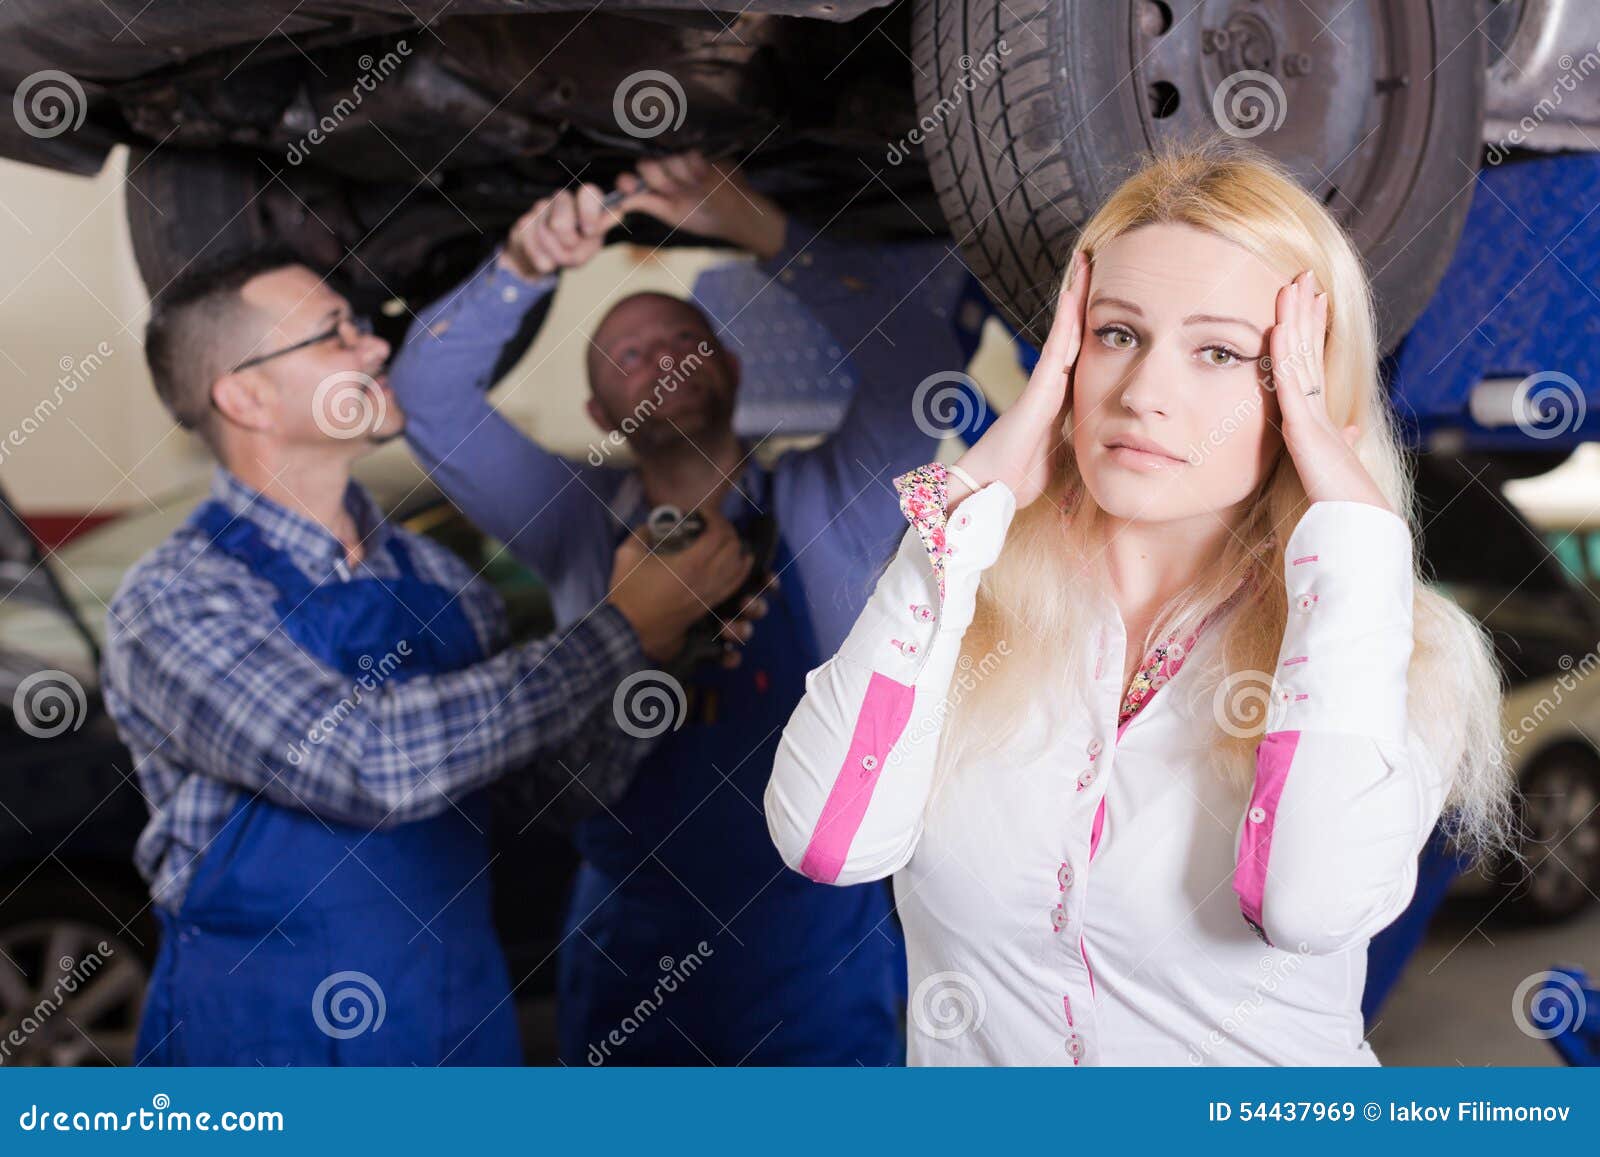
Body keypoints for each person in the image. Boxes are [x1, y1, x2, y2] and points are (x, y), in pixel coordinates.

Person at [765, 138, 1518, 1066]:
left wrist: (1354, 543)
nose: (1145, 392)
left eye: (1219, 351)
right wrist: (953, 523)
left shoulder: (1397, 652)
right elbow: (828, 842)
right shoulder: (966, 600)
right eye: (1118, 333)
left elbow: (1310, 903)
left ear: (1305, 393)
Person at [388, 152, 983, 1064]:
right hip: (632, 931)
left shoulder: (837, 502)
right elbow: (427, 395)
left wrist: (763, 230)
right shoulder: (575, 526)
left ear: (734, 368)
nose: (663, 363)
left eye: (685, 342)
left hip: (811, 937)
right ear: (598, 409)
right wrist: (522, 267)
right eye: (630, 355)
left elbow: (920, 361)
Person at [103, 247, 758, 1066]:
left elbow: (541, 792)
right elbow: (364, 759)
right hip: (265, 1044)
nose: (376, 346)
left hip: (453, 1023)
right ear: (245, 395)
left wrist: (663, 650)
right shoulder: (178, 598)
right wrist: (619, 630)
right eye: (334, 334)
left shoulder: (446, 581)